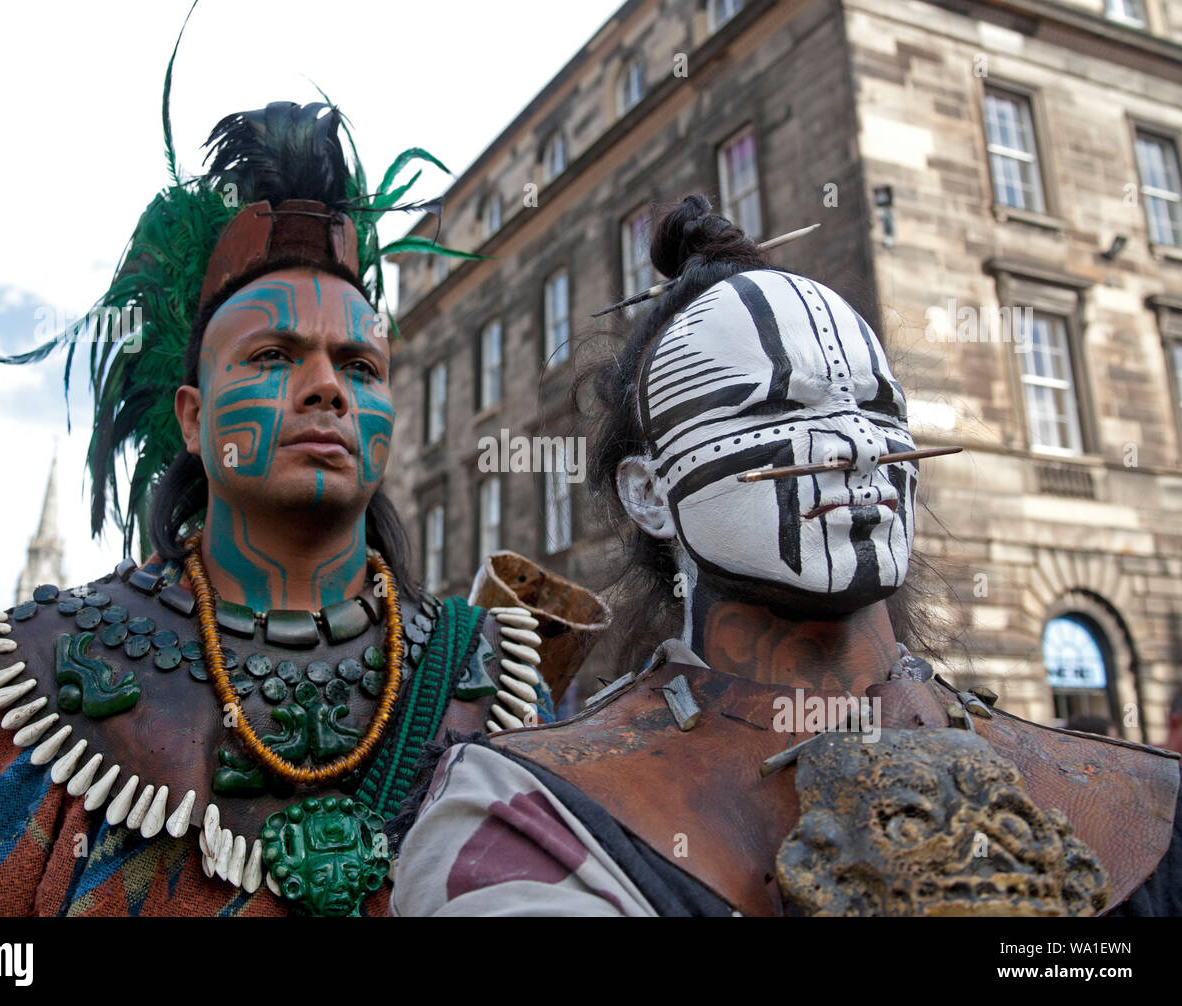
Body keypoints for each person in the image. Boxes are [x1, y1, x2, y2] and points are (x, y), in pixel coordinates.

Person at [0, 44, 558, 918]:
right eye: (273, 357)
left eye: (360, 365)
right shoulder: (29, 682)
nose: (327, 387)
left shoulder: (500, 682)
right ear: (196, 421)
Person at [390, 195, 1182, 917]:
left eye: (877, 407)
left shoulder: (1147, 801)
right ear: (648, 491)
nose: (856, 447)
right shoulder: (531, 814)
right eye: (774, 406)